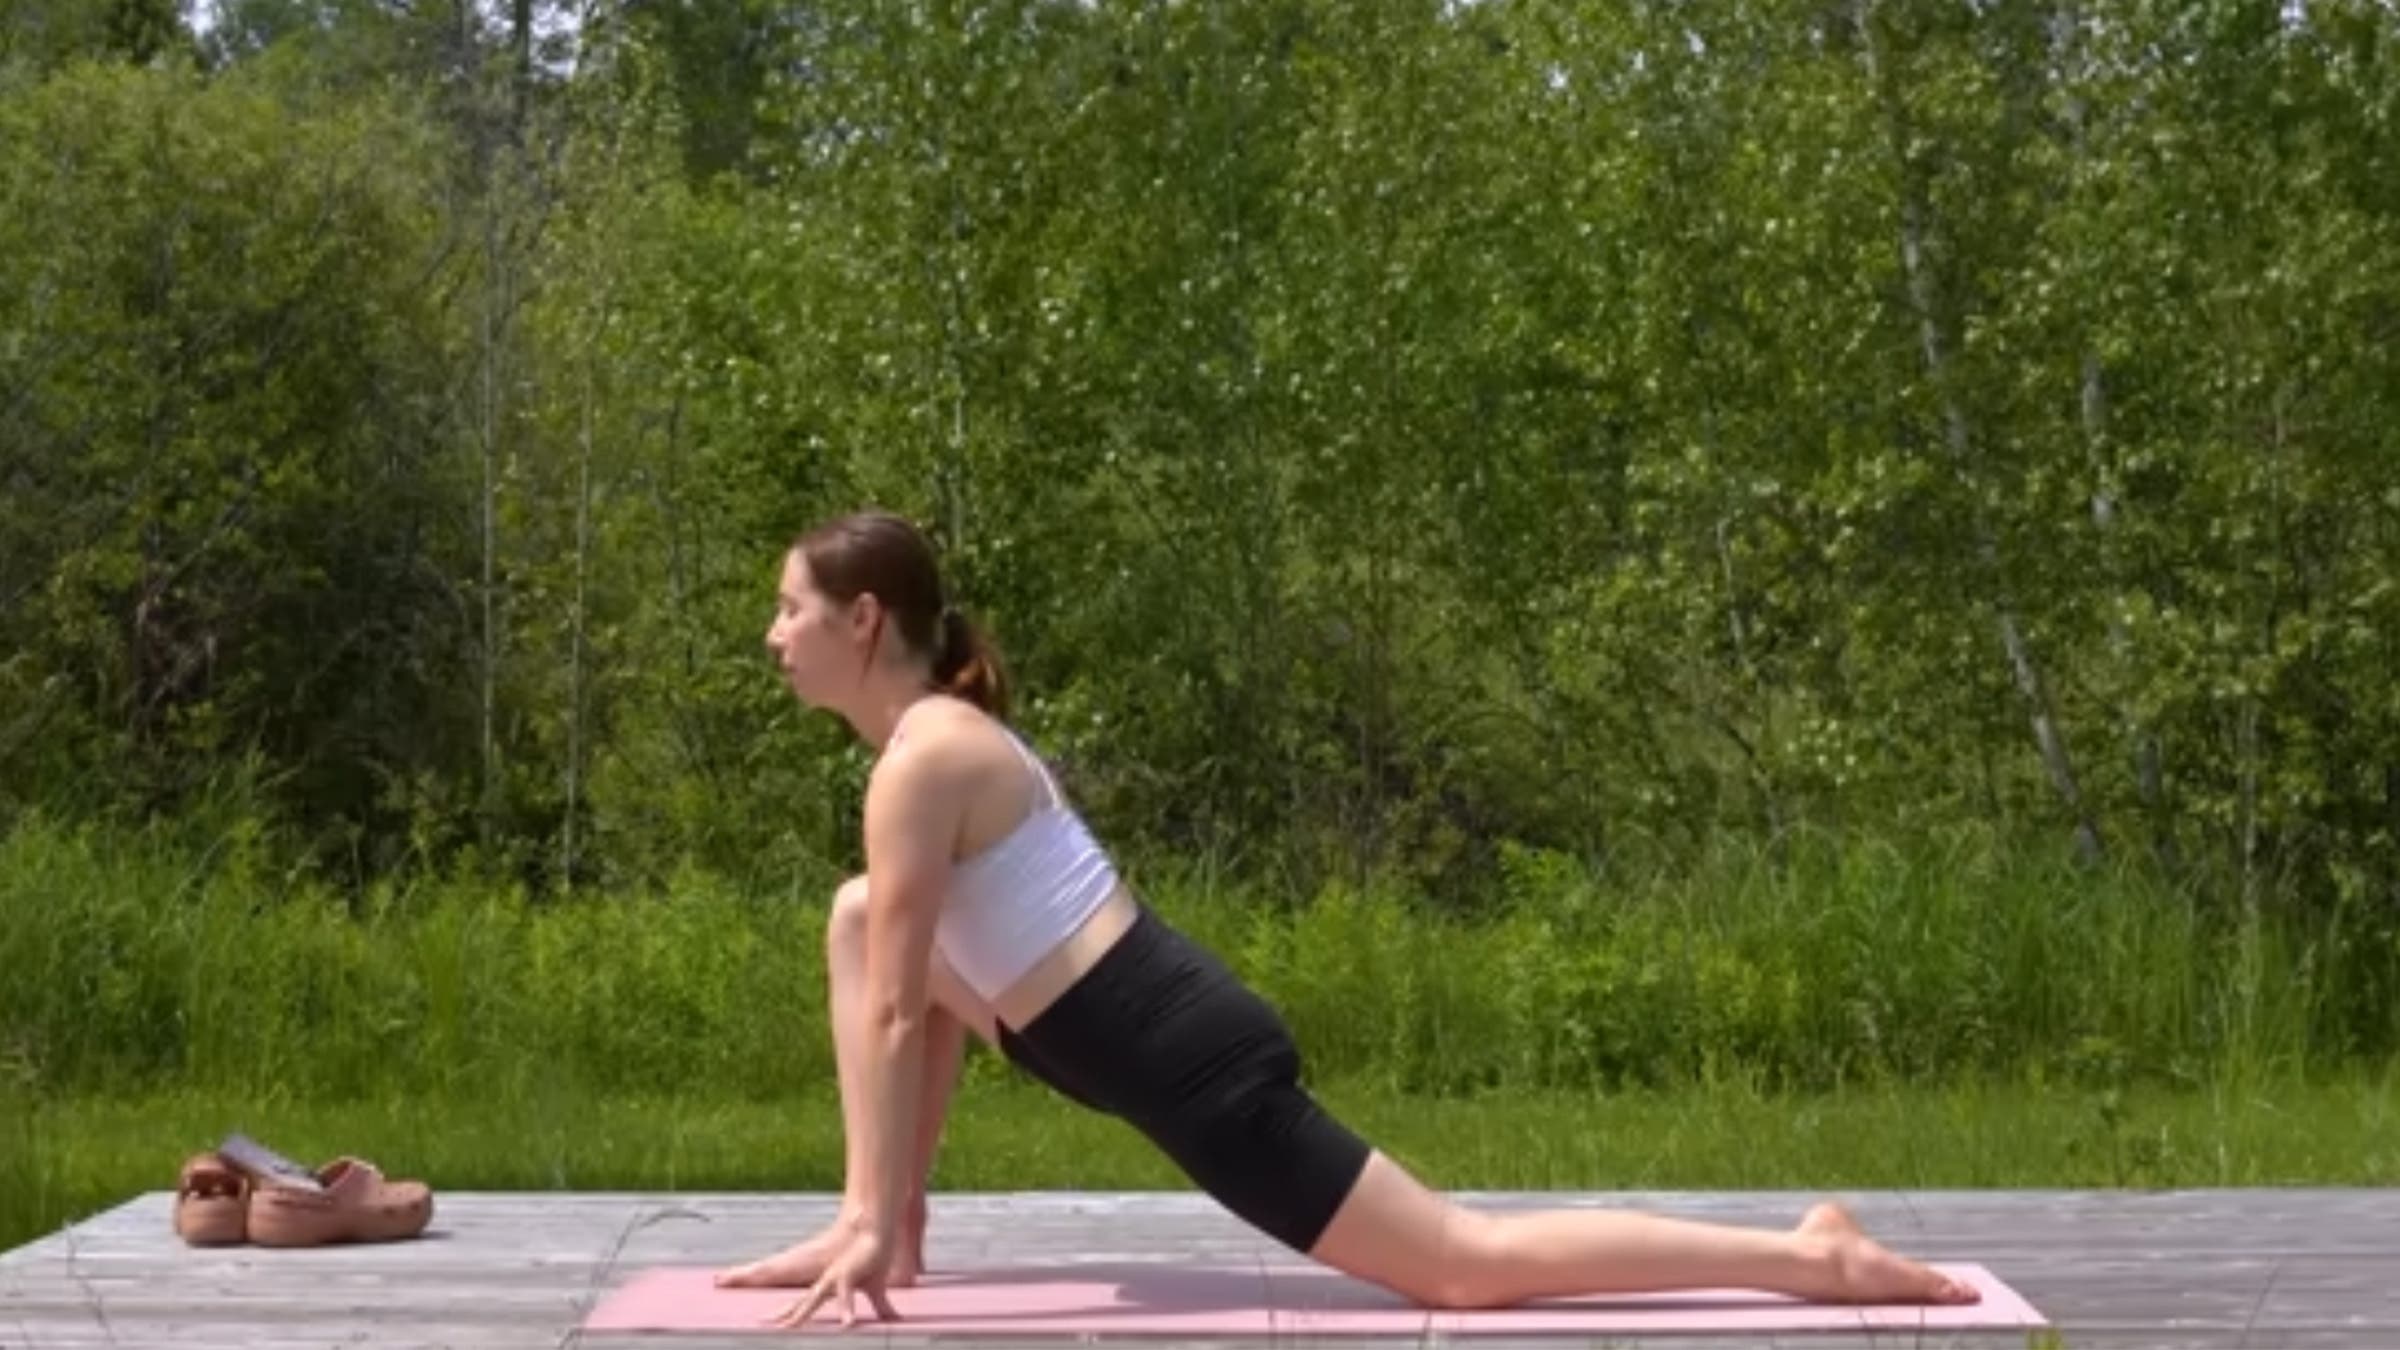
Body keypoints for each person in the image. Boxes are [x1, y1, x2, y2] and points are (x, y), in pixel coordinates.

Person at [718, 509, 1979, 1330]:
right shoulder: (929, 748)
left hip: (1182, 1062)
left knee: (1462, 1266)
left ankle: (1813, 1256)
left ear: (863, 617)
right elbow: (901, 970)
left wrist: (874, 1219)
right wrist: (882, 1215)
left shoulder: (922, 760)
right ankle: (887, 1223)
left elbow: (898, 1010)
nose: (774, 637)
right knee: (858, 913)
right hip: (1093, 1035)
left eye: (790, 609)